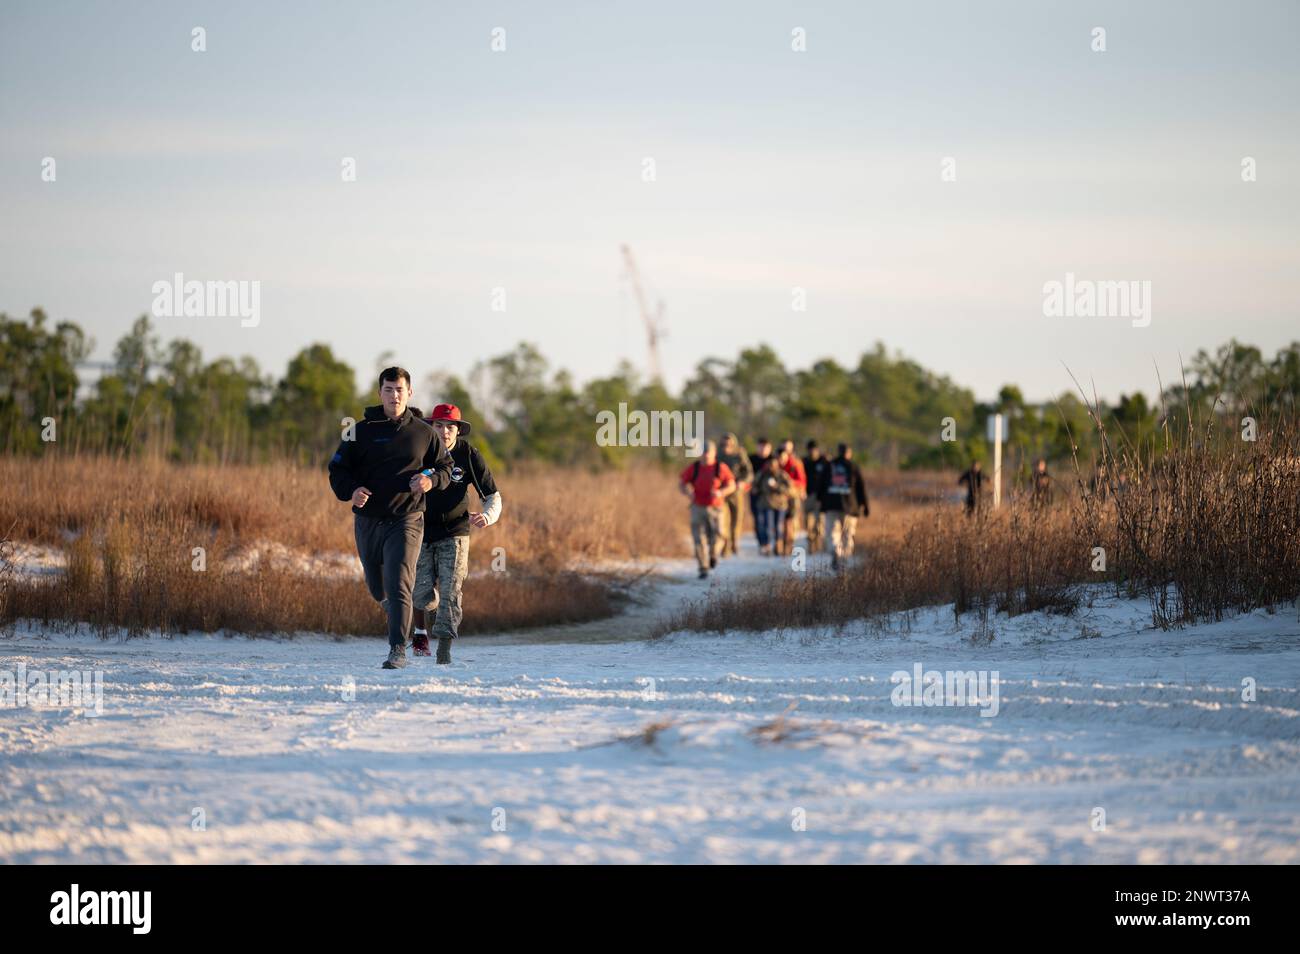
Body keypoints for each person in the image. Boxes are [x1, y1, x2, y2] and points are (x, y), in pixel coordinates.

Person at [328, 367, 453, 670]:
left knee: (399, 582)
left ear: (410, 393)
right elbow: (337, 470)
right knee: (377, 587)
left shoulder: (423, 433)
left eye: (399, 390)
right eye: (388, 389)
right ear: (379, 393)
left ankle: (398, 649)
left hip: (407, 519)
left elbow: (446, 468)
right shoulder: (359, 431)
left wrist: (430, 481)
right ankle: (397, 610)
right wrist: (352, 490)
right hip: (369, 520)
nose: (394, 395)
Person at [409, 403, 502, 665]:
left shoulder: (469, 455)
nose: (444, 431)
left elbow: (492, 495)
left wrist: (487, 516)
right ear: (431, 426)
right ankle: (430, 615)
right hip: (421, 531)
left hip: (455, 533)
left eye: (450, 427)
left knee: (451, 590)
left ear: (458, 431)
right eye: (439, 425)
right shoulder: (420, 451)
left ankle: (444, 650)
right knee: (421, 594)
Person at [679, 440, 735, 579]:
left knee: (720, 534)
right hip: (698, 506)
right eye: (703, 453)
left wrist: (721, 492)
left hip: (717, 507)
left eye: (708, 453)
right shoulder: (695, 467)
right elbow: (682, 483)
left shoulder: (720, 468)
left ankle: (713, 554)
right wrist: (688, 491)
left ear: (714, 453)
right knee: (699, 537)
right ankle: (703, 567)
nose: (705, 456)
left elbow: (731, 485)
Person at [818, 443, 869, 570]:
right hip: (850, 508)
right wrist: (865, 505)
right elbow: (860, 488)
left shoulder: (829, 466)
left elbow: (821, 485)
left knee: (832, 532)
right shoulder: (853, 466)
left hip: (831, 506)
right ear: (849, 453)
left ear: (838, 452)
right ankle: (845, 558)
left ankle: (836, 553)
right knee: (848, 534)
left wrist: (821, 501)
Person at [716, 432, 753, 558]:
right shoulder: (717, 455)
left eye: (729, 443)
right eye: (724, 443)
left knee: (737, 519)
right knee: (724, 520)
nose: (727, 445)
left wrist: (743, 482)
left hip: (737, 491)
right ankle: (725, 547)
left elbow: (748, 472)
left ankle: (735, 542)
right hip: (723, 491)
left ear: (734, 444)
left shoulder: (739, 454)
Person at [753, 456, 795, 556]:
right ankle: (767, 547)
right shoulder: (762, 474)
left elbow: (790, 490)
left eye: (773, 464)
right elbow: (754, 487)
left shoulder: (782, 475)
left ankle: (778, 546)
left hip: (780, 505)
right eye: (770, 464)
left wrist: (777, 487)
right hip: (766, 504)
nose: (771, 466)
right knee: (767, 526)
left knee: (778, 526)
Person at [777, 441, 807, 553]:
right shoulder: (775, 464)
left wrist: (790, 483)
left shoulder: (795, 463)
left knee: (791, 521)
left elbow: (802, 481)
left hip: (793, 497)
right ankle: (781, 546)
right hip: (779, 499)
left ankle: (790, 545)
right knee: (781, 523)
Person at [802, 440, 828, 552]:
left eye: (814, 449)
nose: (812, 452)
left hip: (820, 498)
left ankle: (820, 546)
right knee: (808, 524)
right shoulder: (804, 462)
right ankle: (811, 546)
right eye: (810, 449)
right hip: (807, 497)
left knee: (820, 524)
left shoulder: (824, 462)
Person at [748, 437, 774, 550]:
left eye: (765, 447)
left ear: (770, 448)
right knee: (758, 519)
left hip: (770, 496)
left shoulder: (773, 460)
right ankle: (761, 543)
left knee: (769, 521)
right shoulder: (750, 459)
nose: (763, 449)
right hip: (755, 494)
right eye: (761, 446)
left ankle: (768, 542)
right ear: (757, 447)